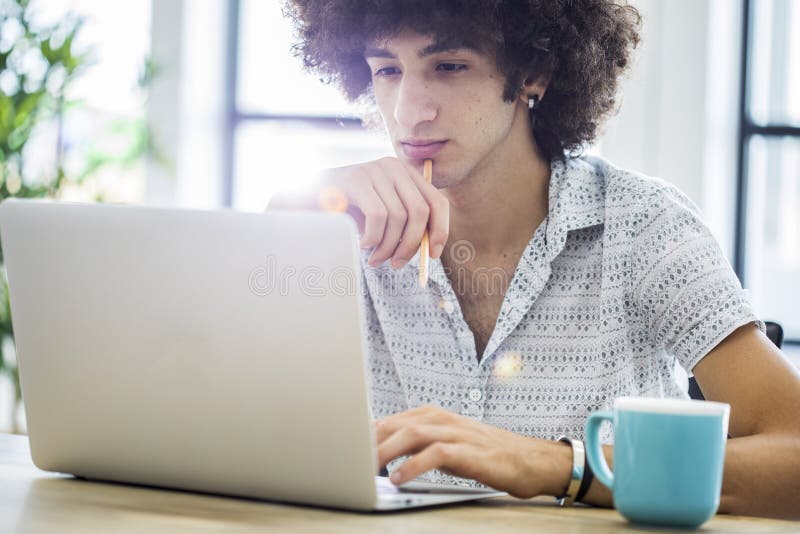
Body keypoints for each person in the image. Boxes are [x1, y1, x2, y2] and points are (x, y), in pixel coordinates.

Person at [270, 0, 800, 518]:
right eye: (386, 69)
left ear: (534, 72)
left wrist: (558, 464)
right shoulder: (343, 231)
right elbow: (228, 423)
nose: (408, 111)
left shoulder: (643, 227)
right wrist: (287, 223)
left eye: (449, 66)